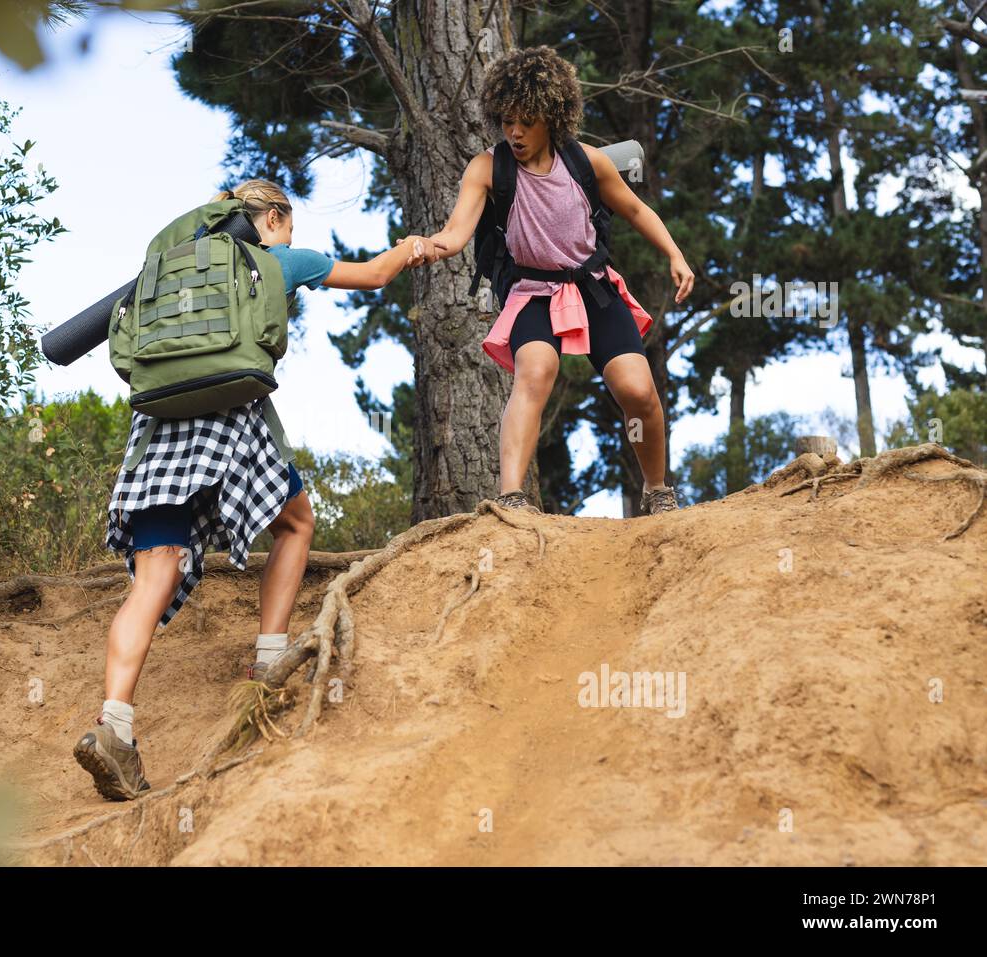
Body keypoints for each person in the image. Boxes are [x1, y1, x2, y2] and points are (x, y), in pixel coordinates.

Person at [74, 179, 436, 800]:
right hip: (229, 425)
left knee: (153, 577)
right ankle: (269, 657)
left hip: (156, 430)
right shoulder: (272, 258)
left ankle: (115, 727)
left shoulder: (172, 266)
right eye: (288, 226)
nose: (290, 238)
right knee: (294, 523)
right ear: (272, 217)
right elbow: (375, 275)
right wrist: (412, 247)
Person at [422, 46, 696, 516]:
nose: (515, 131)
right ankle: (511, 499)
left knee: (637, 391)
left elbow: (634, 209)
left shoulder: (588, 162)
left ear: (552, 114)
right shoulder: (488, 168)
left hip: (591, 286)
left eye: (526, 120)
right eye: (507, 120)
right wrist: (428, 246)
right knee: (535, 371)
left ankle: (657, 491)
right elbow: (455, 233)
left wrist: (674, 253)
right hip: (531, 291)